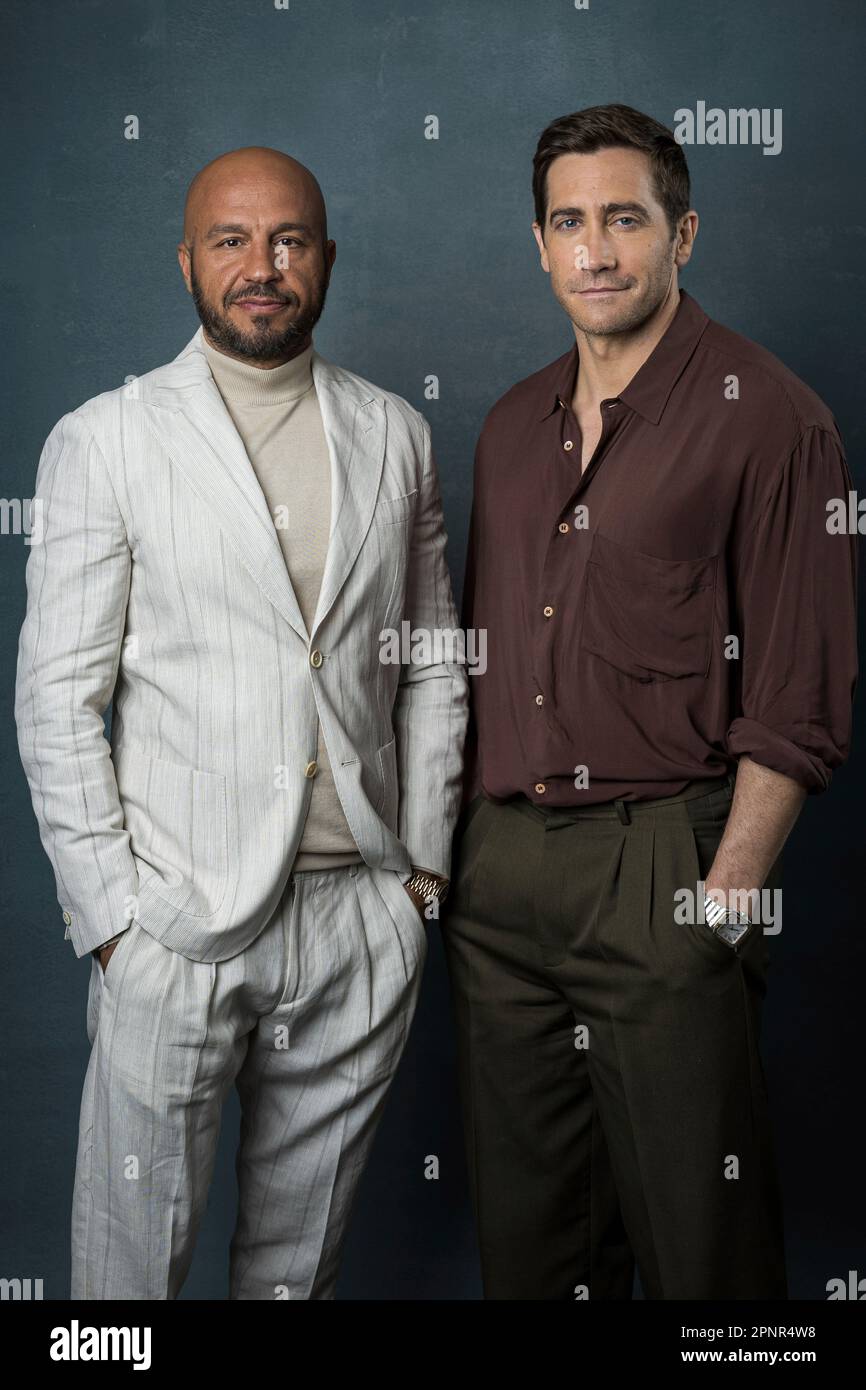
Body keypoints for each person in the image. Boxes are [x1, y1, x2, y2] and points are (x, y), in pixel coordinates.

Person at [15, 146, 467, 1299]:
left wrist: (416, 881)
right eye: (230, 240)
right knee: (126, 1276)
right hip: (176, 922)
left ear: (324, 258)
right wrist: (115, 920)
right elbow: (56, 698)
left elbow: (428, 665)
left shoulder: (392, 436)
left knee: (292, 1275)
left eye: (287, 241)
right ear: (187, 260)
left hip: (356, 917)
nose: (260, 266)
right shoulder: (104, 439)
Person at [443, 103, 857, 1300]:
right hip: (502, 879)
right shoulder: (510, 430)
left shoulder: (772, 420)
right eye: (568, 222)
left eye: (623, 218)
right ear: (536, 244)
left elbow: (798, 700)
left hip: (661, 869)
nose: (595, 250)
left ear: (683, 232)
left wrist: (717, 907)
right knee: (534, 1256)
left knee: (702, 1256)